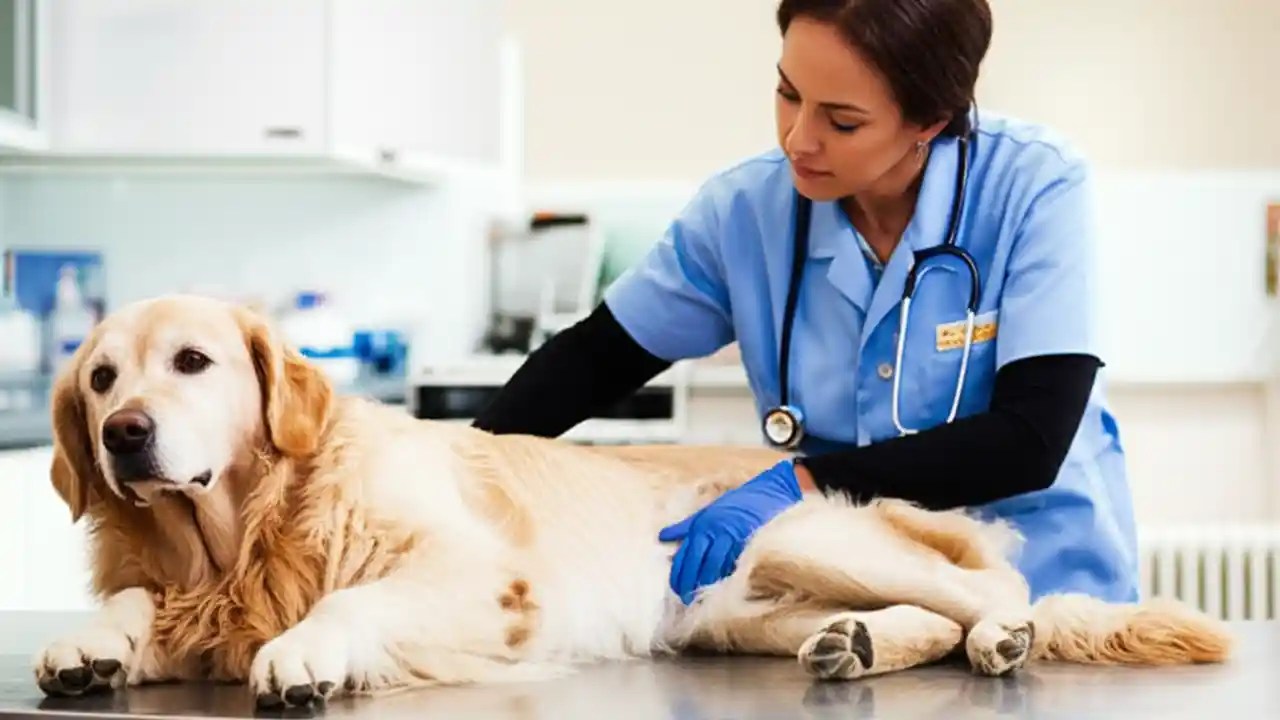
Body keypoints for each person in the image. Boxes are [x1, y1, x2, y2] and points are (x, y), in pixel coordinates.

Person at [474, 0, 1139, 608]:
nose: (798, 139)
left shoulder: (1033, 185)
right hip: (856, 593)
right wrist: (459, 467)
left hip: (1041, 590)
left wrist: (804, 482)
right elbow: (596, 358)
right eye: (787, 94)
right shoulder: (746, 211)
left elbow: (1029, 440)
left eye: (841, 120)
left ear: (929, 122)